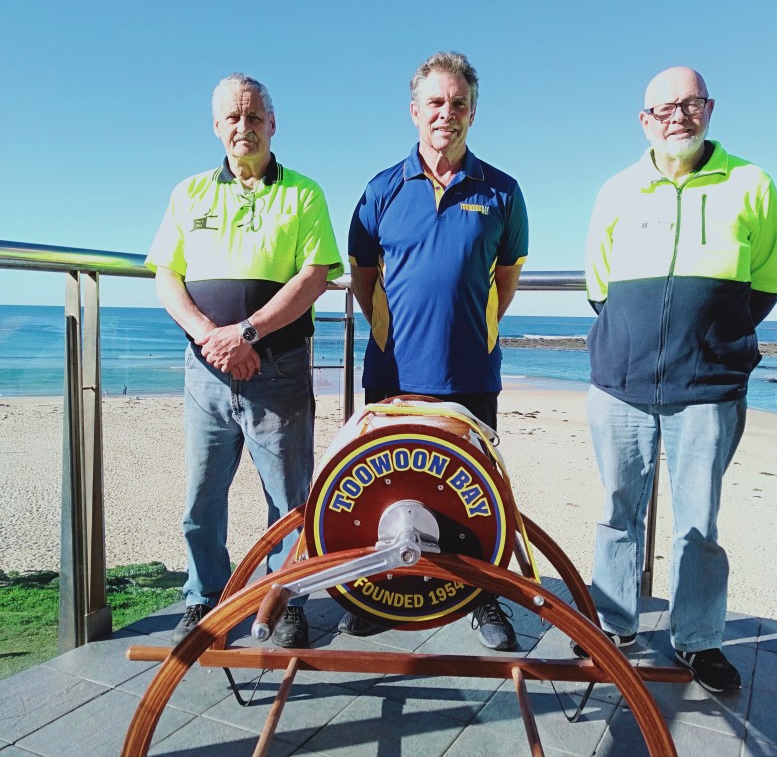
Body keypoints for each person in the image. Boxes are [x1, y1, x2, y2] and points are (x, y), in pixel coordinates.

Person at [583, 66, 777, 691]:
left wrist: (711, 341)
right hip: (620, 383)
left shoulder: (752, 184)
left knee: (700, 521)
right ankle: (613, 624)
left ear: (709, 109)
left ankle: (697, 639)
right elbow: (598, 285)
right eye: (664, 108)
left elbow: (767, 282)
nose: (678, 116)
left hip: (708, 387)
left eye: (690, 103)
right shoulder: (617, 189)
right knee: (618, 510)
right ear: (644, 120)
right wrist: (635, 344)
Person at [146, 73, 343, 648]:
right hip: (205, 373)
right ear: (216, 126)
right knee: (202, 498)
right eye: (232, 117)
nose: (243, 127)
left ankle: (287, 599)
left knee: (288, 499)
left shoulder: (304, 193)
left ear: (272, 124)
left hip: (277, 369)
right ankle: (203, 596)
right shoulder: (188, 193)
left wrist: (247, 334)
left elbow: (315, 276)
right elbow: (167, 275)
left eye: (254, 116)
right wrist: (213, 336)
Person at [346, 51, 529, 650]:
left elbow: (505, 281)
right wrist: (393, 329)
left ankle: (481, 598)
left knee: (475, 497)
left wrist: (469, 326)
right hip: (393, 373)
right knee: (387, 491)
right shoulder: (380, 190)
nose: (445, 112)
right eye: (435, 102)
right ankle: (379, 593)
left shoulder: (503, 192)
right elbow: (363, 278)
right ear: (414, 111)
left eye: (458, 102)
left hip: (470, 374)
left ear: (473, 112)